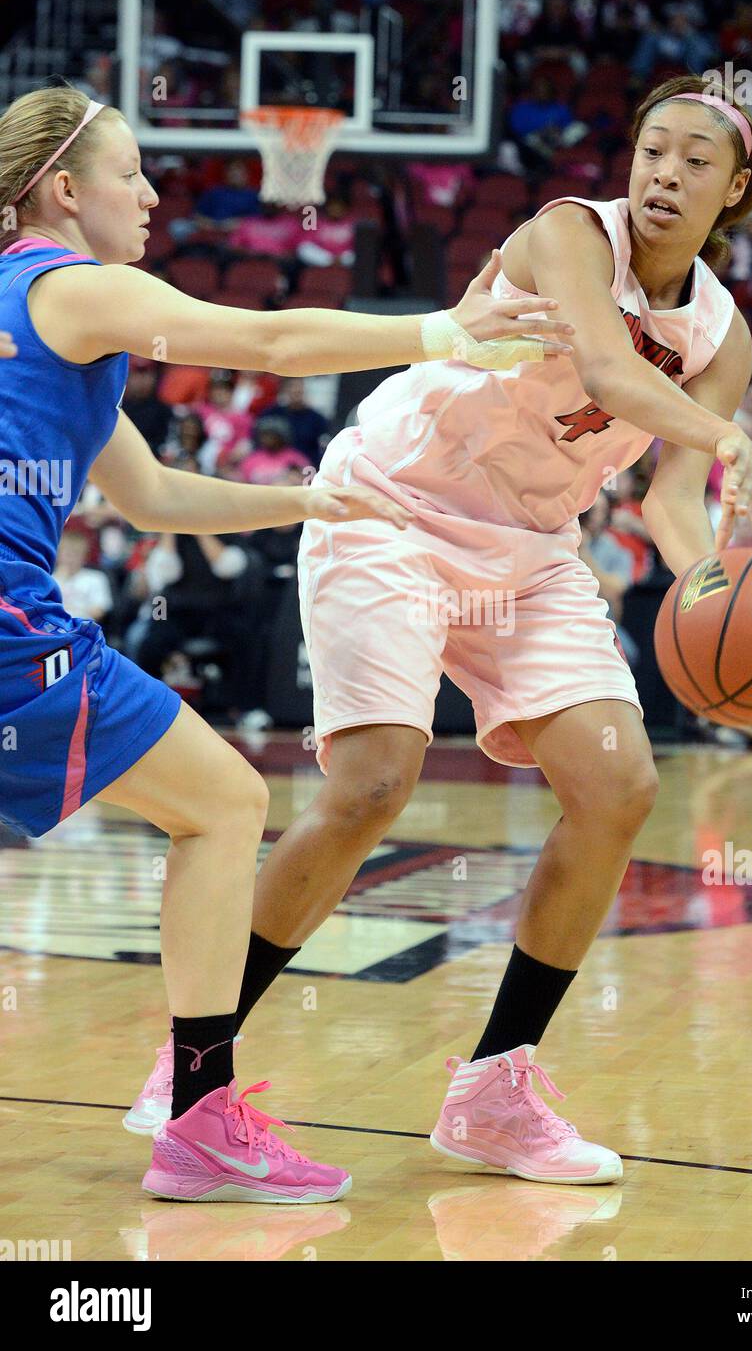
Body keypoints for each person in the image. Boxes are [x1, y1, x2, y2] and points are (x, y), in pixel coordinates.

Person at [129, 75, 752, 1185]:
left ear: (736, 188)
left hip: (527, 550)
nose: (663, 174)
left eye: (694, 161)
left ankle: (494, 1093)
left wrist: (719, 582)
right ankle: (193, 1063)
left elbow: (666, 505)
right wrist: (725, 438)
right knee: (374, 784)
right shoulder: (569, 232)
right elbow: (611, 371)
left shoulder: (721, 332)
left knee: (617, 786)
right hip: (392, 507)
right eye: (652, 150)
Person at [0, 83, 571, 1204]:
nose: (154, 193)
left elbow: (153, 494)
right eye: (131, 173)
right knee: (223, 804)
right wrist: (444, 331)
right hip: (14, 638)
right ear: (64, 192)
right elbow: (266, 337)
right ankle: (201, 1116)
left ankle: (200, 1110)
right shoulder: (68, 288)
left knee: (215, 801)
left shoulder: (41, 322)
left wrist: (307, 502)